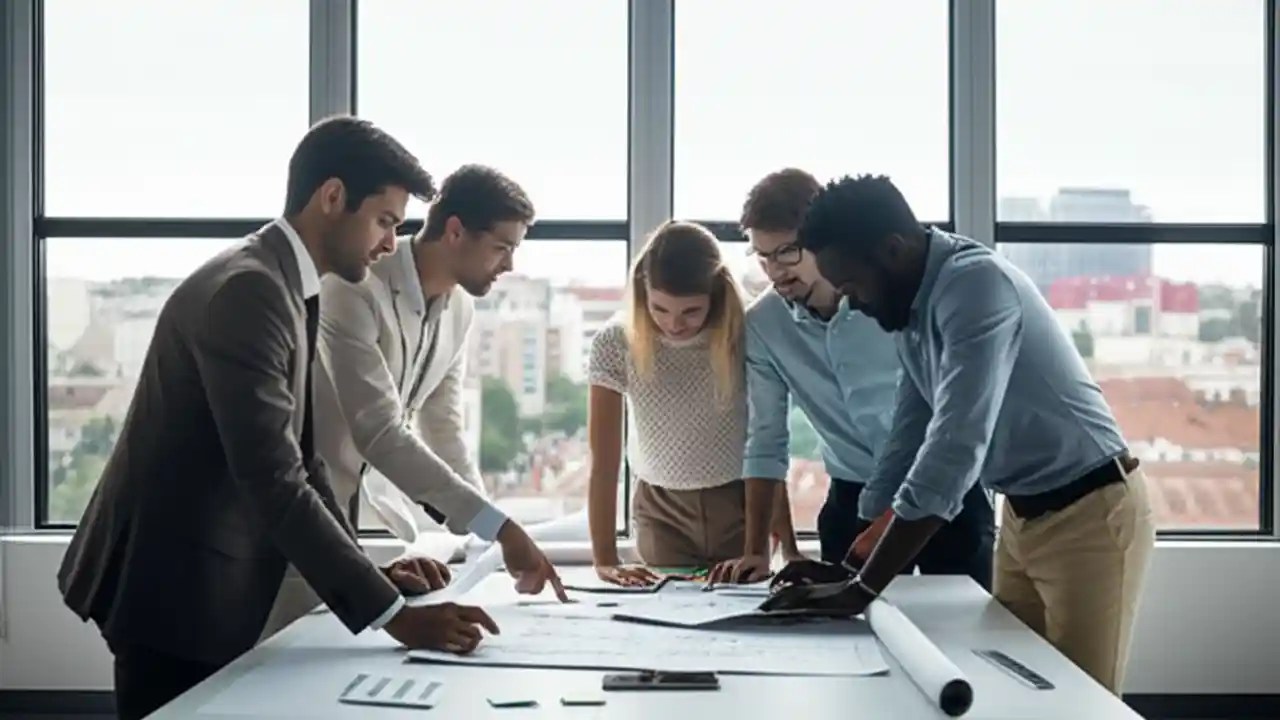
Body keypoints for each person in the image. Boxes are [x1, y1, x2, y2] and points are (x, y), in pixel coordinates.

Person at [57, 116, 500, 720]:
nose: (390, 243)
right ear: (332, 197)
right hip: (174, 582)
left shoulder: (286, 282)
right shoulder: (252, 291)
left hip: (206, 571)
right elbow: (273, 477)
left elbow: (303, 458)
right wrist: (397, 619)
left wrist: (374, 575)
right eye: (385, 221)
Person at [766, 174, 1155, 696]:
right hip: (1024, 514)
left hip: (1091, 512)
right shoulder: (911, 306)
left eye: (854, 286)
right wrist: (847, 563)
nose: (852, 305)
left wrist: (864, 588)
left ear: (893, 249)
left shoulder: (974, 287)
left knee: (1080, 701)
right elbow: (910, 429)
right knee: (1013, 692)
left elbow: (954, 447)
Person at [708, 169, 994, 588]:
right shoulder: (763, 326)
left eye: (789, 252)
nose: (776, 271)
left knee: (958, 637)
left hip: (942, 497)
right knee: (844, 641)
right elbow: (766, 441)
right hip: (850, 503)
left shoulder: (889, 298)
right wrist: (755, 549)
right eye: (763, 256)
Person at [586, 221, 752, 584]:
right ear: (642, 293)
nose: (673, 324)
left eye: (691, 311)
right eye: (659, 309)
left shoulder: (744, 336)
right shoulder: (615, 342)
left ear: (717, 295)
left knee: (741, 623)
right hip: (661, 513)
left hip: (739, 503)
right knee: (669, 618)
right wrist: (605, 558)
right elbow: (604, 461)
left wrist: (780, 537)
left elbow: (769, 439)